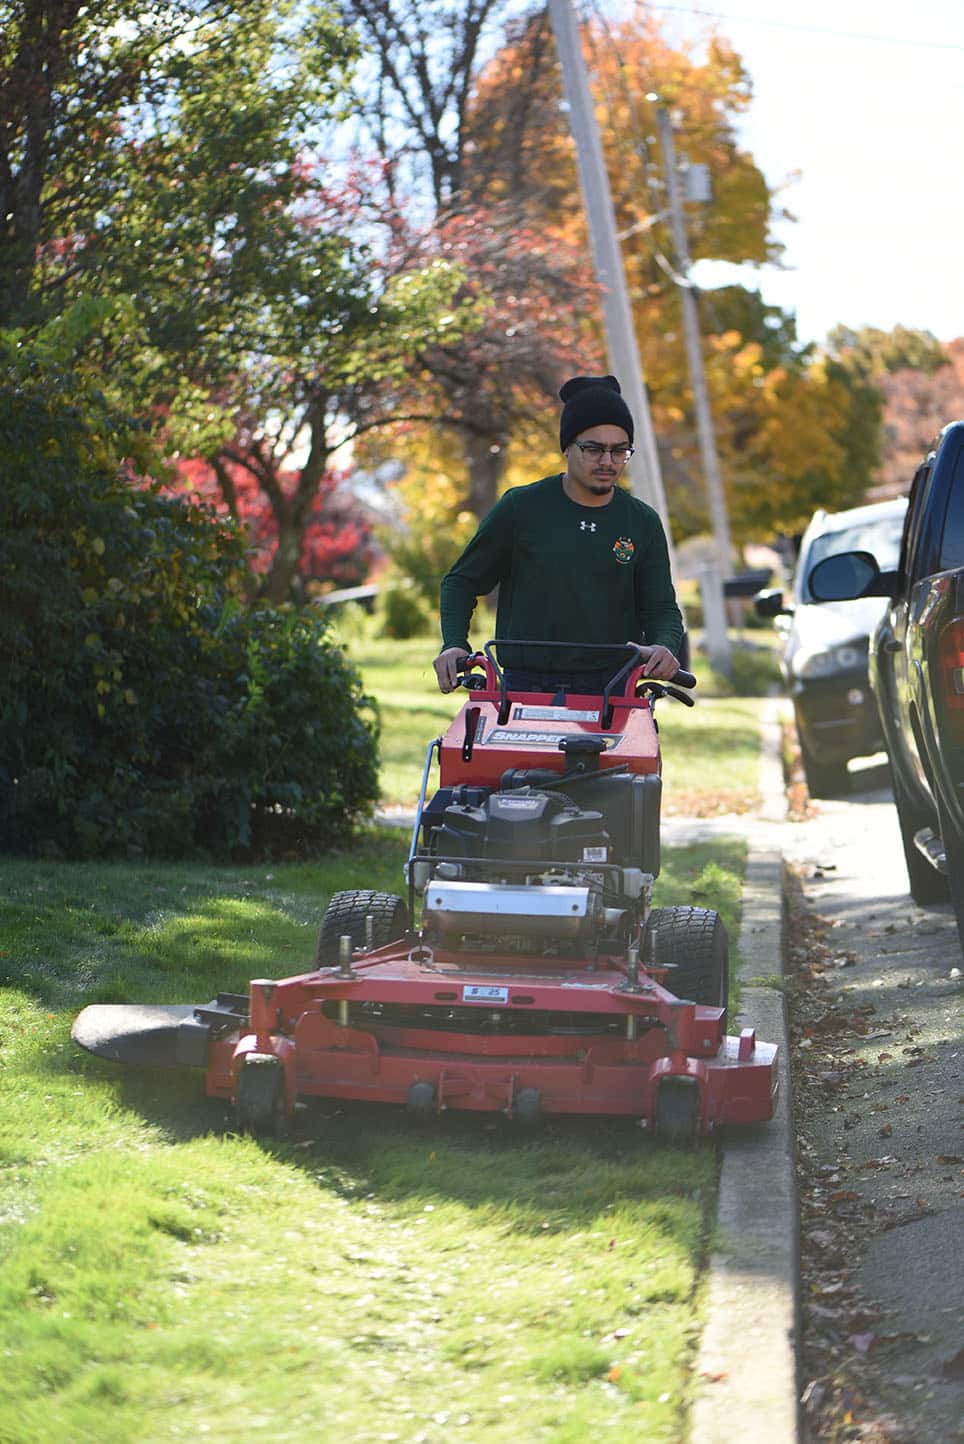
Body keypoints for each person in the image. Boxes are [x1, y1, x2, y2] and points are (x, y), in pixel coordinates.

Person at [433, 374, 684, 695]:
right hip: (523, 685)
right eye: (593, 449)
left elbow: (661, 607)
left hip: (613, 687)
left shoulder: (641, 521)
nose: (608, 461)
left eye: (620, 450)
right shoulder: (521, 508)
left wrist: (665, 646)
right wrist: (454, 644)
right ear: (567, 446)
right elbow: (461, 581)